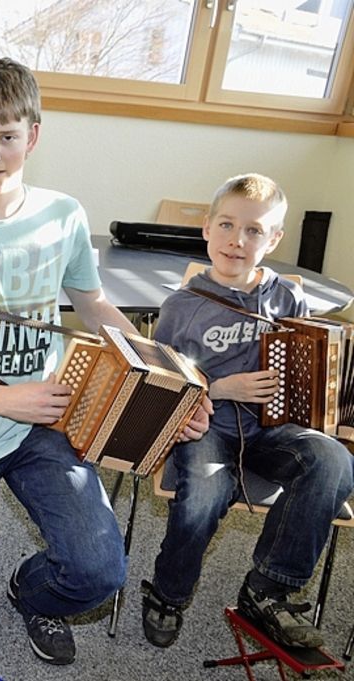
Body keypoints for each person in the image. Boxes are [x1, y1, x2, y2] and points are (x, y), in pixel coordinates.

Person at [0, 57, 210, 666]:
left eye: (7, 137)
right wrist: (2, 399)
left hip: (45, 422)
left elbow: (94, 305)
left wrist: (174, 385)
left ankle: (32, 592)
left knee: (99, 571)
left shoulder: (63, 215)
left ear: (33, 135)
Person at [140, 173, 354, 650]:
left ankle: (267, 589)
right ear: (207, 228)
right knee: (204, 494)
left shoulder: (286, 298)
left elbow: (300, 370)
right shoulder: (181, 307)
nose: (237, 240)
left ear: (273, 239)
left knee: (335, 460)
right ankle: (169, 592)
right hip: (206, 428)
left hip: (271, 429)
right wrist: (221, 387)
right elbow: (161, 386)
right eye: (227, 225)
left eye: (254, 230)